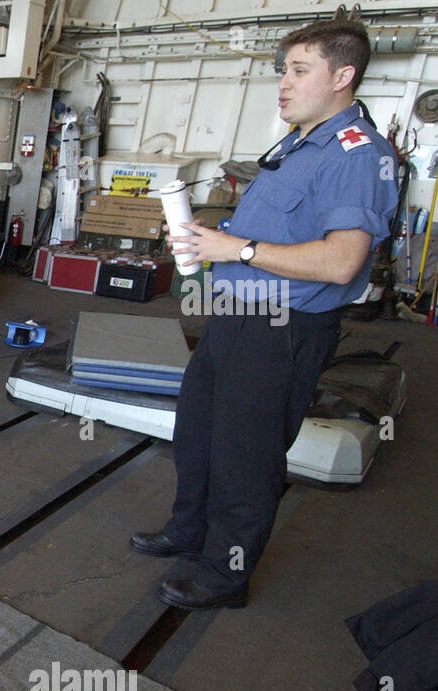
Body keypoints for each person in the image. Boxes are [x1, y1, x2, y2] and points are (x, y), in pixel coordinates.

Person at [131, 19, 398, 610]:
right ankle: (189, 531)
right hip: (235, 313)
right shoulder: (299, 145)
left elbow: (341, 260)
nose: (283, 82)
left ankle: (226, 573)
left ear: (343, 76)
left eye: (300, 70)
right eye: (283, 69)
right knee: (198, 431)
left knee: (246, 455)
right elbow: (274, 228)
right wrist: (215, 237)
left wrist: (239, 250)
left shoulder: (358, 155)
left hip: (283, 327)